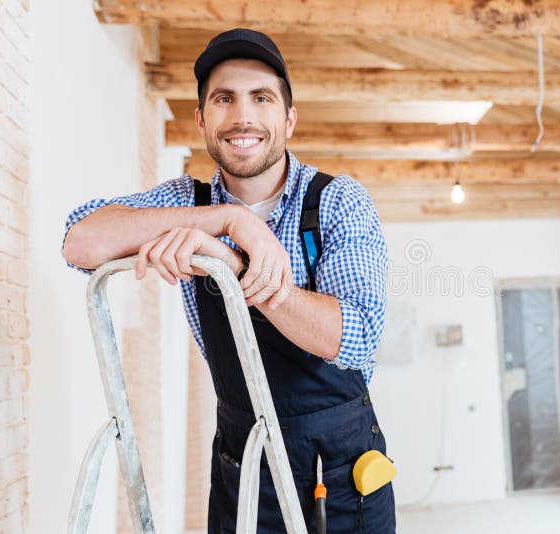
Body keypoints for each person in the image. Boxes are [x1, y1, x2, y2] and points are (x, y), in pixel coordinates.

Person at [62, 28, 395, 533]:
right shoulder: (187, 203)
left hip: (340, 470)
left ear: (288, 118)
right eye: (224, 99)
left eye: (262, 98)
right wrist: (229, 222)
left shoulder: (336, 202)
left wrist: (230, 264)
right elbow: (79, 243)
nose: (243, 116)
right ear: (201, 119)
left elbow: (352, 338)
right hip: (243, 463)